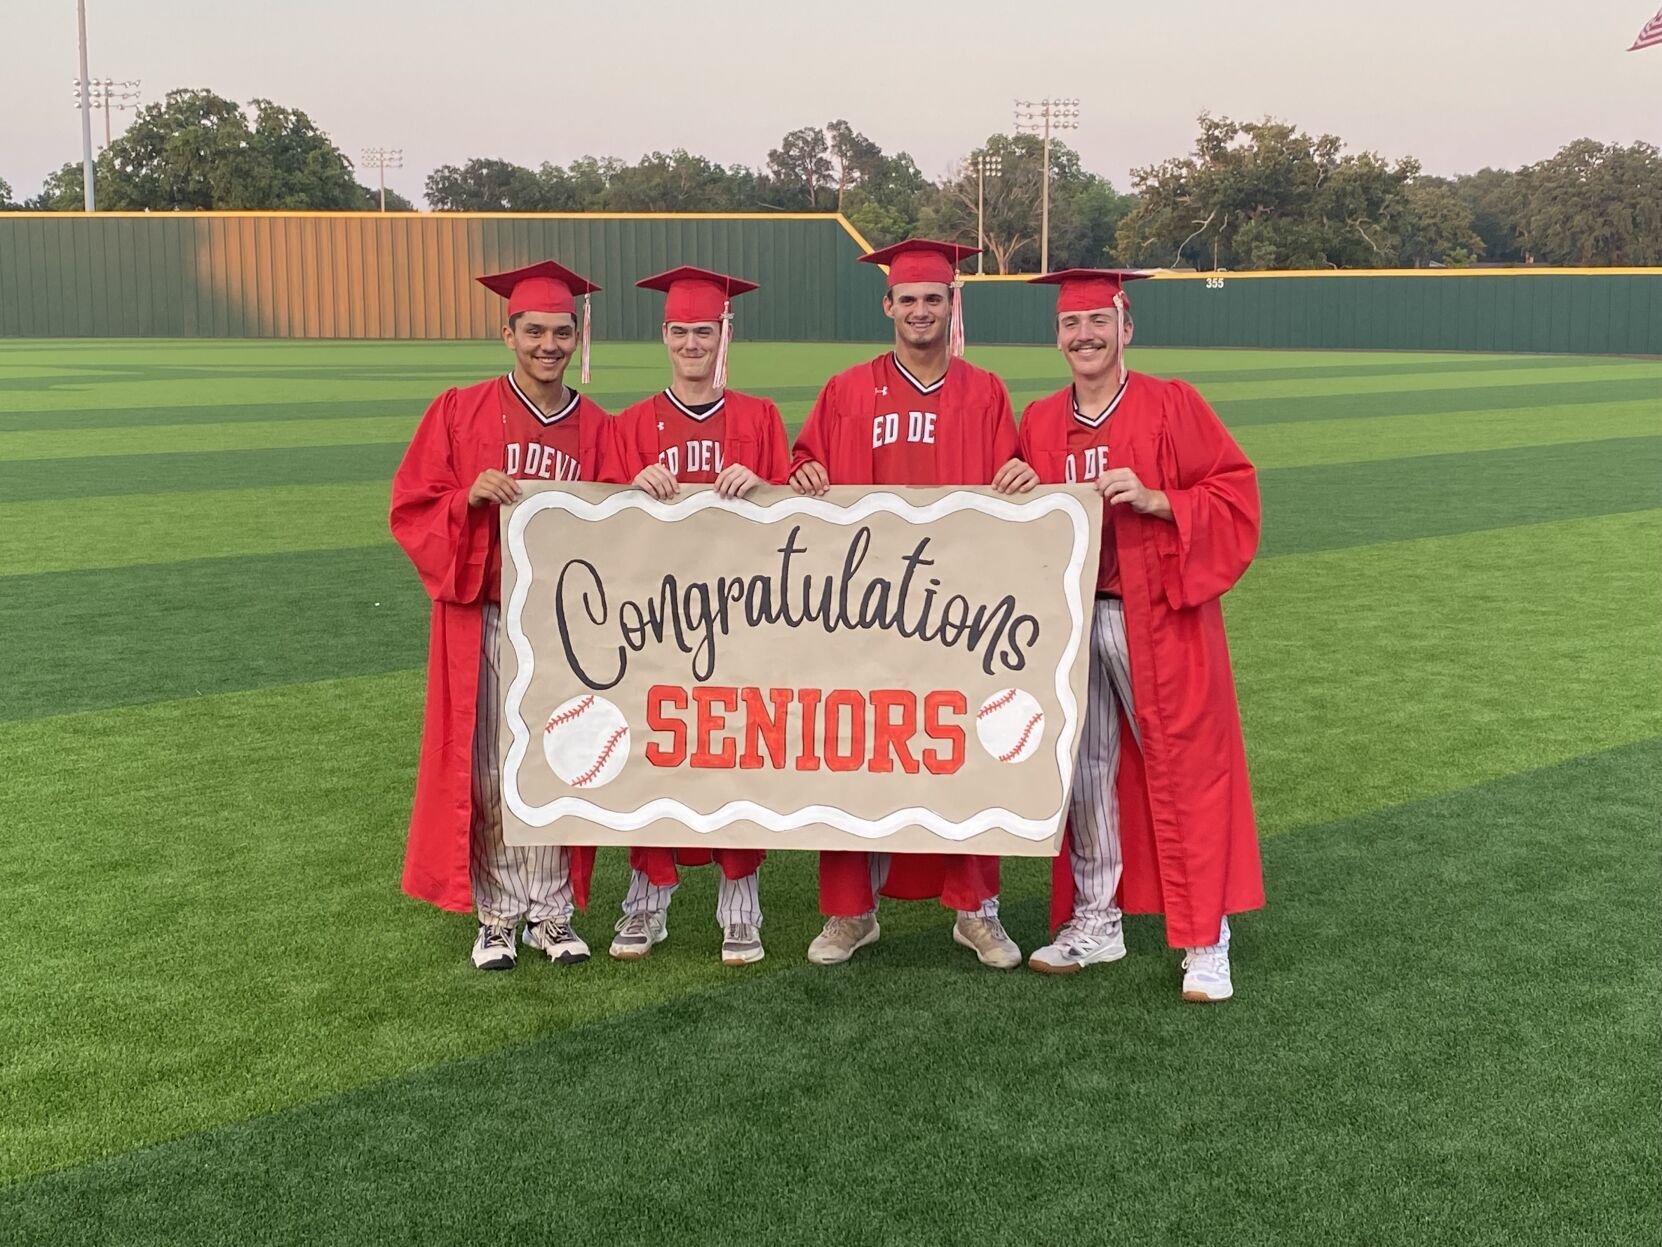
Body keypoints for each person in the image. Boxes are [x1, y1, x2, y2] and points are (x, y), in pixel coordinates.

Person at [1014, 268, 1263, 1002]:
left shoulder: (1171, 404)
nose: (1083, 335)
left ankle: (1205, 938)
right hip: (1071, 621)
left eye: (1097, 320)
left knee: (1185, 768)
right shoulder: (1038, 419)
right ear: (1057, 335)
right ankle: (1097, 919)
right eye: (1071, 324)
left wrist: (1161, 500)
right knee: (1085, 771)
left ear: (1126, 325)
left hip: (1156, 616)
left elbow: (1236, 492)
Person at [788, 238, 1038, 970]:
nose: (921, 310)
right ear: (887, 305)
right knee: (850, 750)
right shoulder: (845, 390)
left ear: (950, 306)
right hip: (861, 612)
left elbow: (1014, 483)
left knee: (965, 750)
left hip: (954, 617)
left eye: (934, 298)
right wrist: (802, 471)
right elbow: (803, 462)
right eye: (909, 299)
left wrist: (1022, 473)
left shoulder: (985, 391)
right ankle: (849, 914)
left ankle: (976, 910)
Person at [390, 260, 610, 971]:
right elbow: (412, 506)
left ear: (578, 337)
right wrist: (467, 497)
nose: (549, 344)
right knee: (486, 769)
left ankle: (552, 910)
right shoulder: (460, 410)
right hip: (485, 614)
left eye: (561, 331)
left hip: (564, 629)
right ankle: (497, 913)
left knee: (559, 760)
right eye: (535, 330)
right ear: (507, 331)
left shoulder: (598, 425)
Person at [601, 265, 791, 967]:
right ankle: (645, 898)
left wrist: (768, 485)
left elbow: (795, 523)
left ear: (723, 335)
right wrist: (627, 489)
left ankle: (740, 905)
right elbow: (601, 530)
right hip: (654, 625)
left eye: (702, 331)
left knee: (738, 752)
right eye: (679, 331)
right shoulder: (630, 425)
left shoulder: (760, 418)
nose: (690, 343)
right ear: (664, 336)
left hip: (741, 621)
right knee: (656, 750)